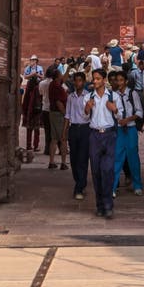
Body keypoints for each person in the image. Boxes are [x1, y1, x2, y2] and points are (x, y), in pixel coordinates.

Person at [85, 68, 120, 219]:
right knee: (96, 172)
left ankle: (108, 205)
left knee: (108, 170)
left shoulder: (114, 96)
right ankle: (99, 205)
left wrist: (115, 109)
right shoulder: (88, 97)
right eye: (94, 79)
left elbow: (121, 115)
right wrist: (87, 108)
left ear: (104, 80)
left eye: (98, 79)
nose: (95, 81)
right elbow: (84, 117)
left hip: (109, 135)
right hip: (94, 136)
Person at [112, 69, 144, 197]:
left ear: (126, 81)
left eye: (121, 80)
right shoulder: (113, 95)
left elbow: (139, 112)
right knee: (117, 158)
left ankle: (137, 185)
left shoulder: (132, 94)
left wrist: (127, 120)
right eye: (117, 80)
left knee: (133, 158)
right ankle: (113, 187)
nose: (118, 83)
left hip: (130, 129)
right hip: (119, 130)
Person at [63, 71, 91, 200]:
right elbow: (67, 115)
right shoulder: (70, 97)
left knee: (83, 159)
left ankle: (79, 187)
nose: (77, 83)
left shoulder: (88, 97)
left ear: (84, 82)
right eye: (76, 80)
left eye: (80, 80)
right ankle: (79, 181)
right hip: (73, 129)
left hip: (85, 129)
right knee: (74, 159)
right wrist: (64, 132)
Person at [47, 68, 68, 170]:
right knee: (63, 139)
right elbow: (59, 102)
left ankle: (52, 161)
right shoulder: (58, 87)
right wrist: (66, 114)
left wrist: (69, 68)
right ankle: (63, 163)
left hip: (53, 113)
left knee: (54, 139)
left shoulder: (53, 84)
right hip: (59, 114)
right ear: (57, 76)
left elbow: (64, 78)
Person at [20, 74, 42, 152]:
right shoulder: (37, 89)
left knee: (29, 130)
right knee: (36, 130)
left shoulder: (28, 91)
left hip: (29, 112)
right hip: (36, 112)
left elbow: (25, 103)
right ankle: (35, 146)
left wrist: (24, 112)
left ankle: (28, 145)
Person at [38, 67, 53, 156]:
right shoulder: (54, 83)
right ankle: (55, 149)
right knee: (54, 131)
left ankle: (47, 149)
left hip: (45, 108)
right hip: (53, 109)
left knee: (47, 131)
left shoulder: (42, 83)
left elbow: (40, 93)